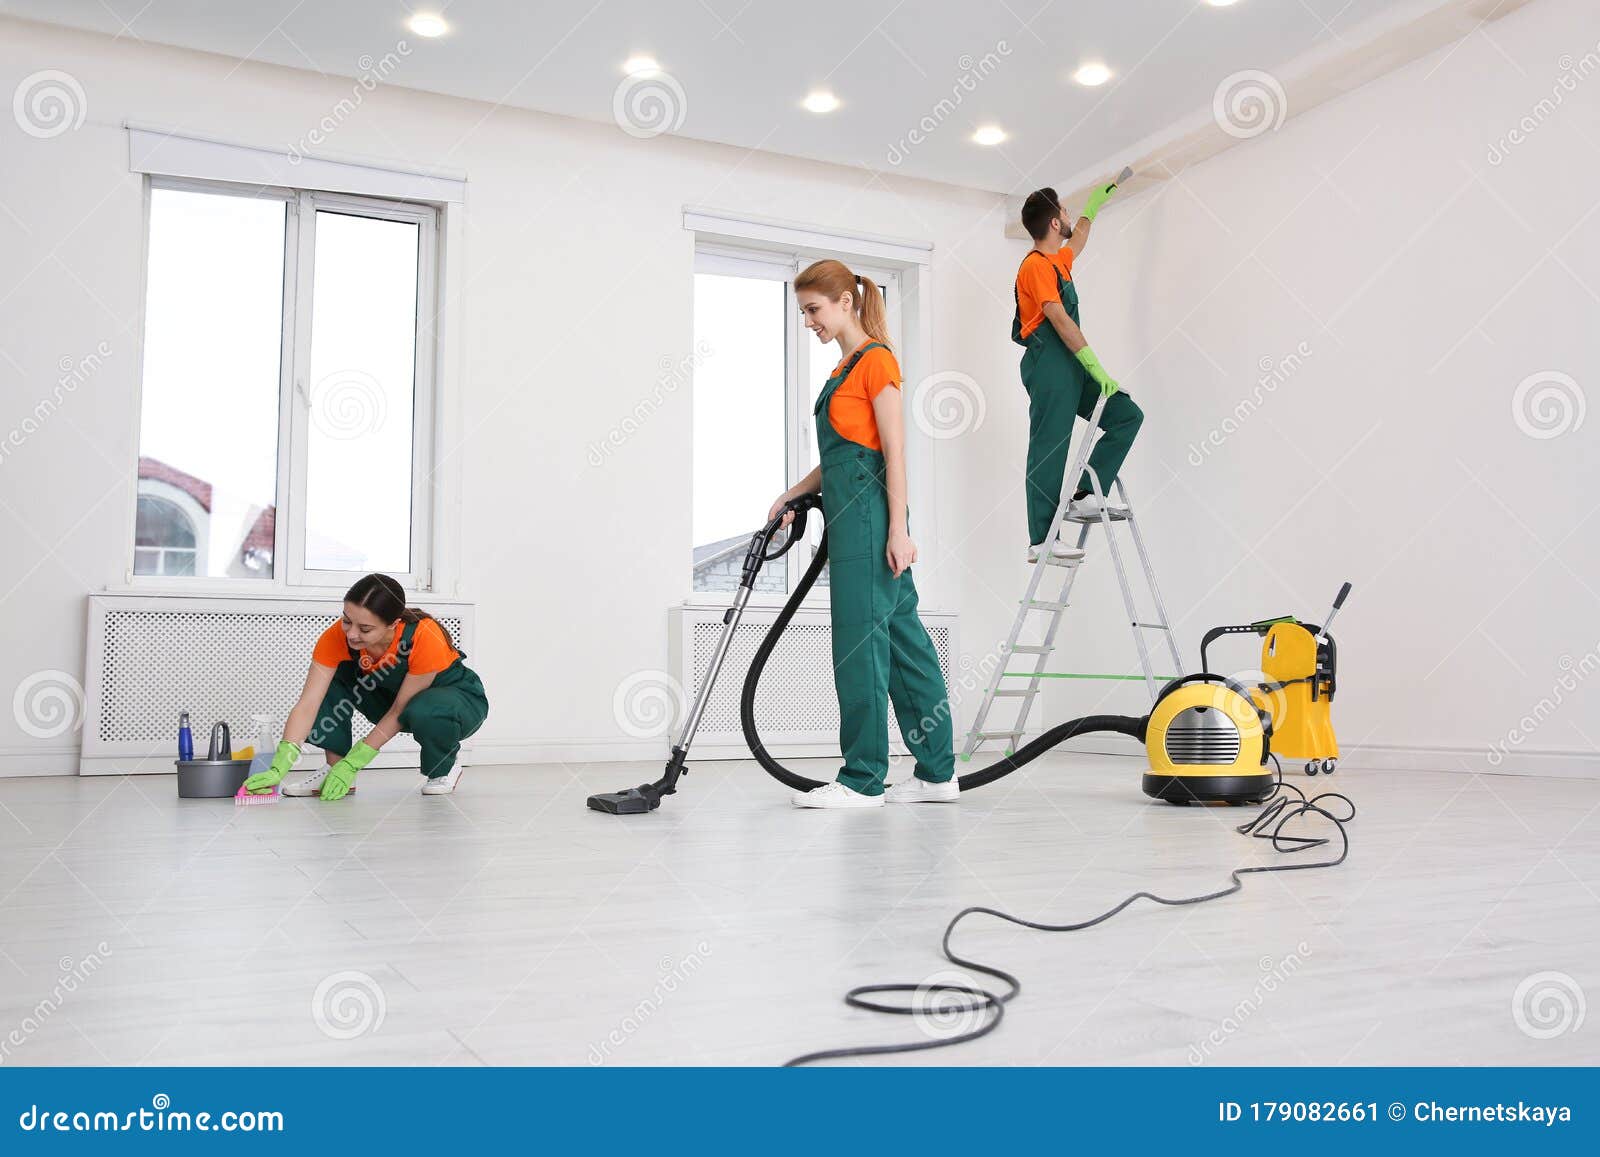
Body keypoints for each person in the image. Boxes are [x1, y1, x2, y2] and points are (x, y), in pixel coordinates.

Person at [767, 259, 957, 808]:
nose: (807, 321)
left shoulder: (877, 362)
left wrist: (899, 530)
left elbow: (893, 452)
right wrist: (793, 494)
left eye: (813, 309)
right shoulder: (840, 371)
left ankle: (863, 780)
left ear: (845, 303)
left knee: (860, 648)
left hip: (872, 524)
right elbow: (837, 458)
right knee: (904, 646)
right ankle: (938, 774)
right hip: (851, 522)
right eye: (803, 311)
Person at [243, 574, 489, 799]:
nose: (351, 634)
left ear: (393, 623)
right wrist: (280, 765)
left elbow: (398, 712)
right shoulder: (337, 637)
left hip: (456, 702)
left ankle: (443, 766)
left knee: (424, 708)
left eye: (365, 628)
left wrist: (354, 762)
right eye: (347, 621)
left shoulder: (424, 635)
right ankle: (333, 767)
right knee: (336, 675)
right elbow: (308, 704)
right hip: (391, 698)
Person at [1015, 181, 1144, 559]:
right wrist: (1095, 365)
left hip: (1070, 365)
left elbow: (1080, 240)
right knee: (1049, 445)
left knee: (1126, 415)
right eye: (1066, 212)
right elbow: (1057, 318)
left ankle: (1087, 493)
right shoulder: (1035, 267)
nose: (1070, 217)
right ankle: (1041, 540)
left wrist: (1093, 207)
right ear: (1054, 222)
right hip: (1050, 366)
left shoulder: (1058, 261)